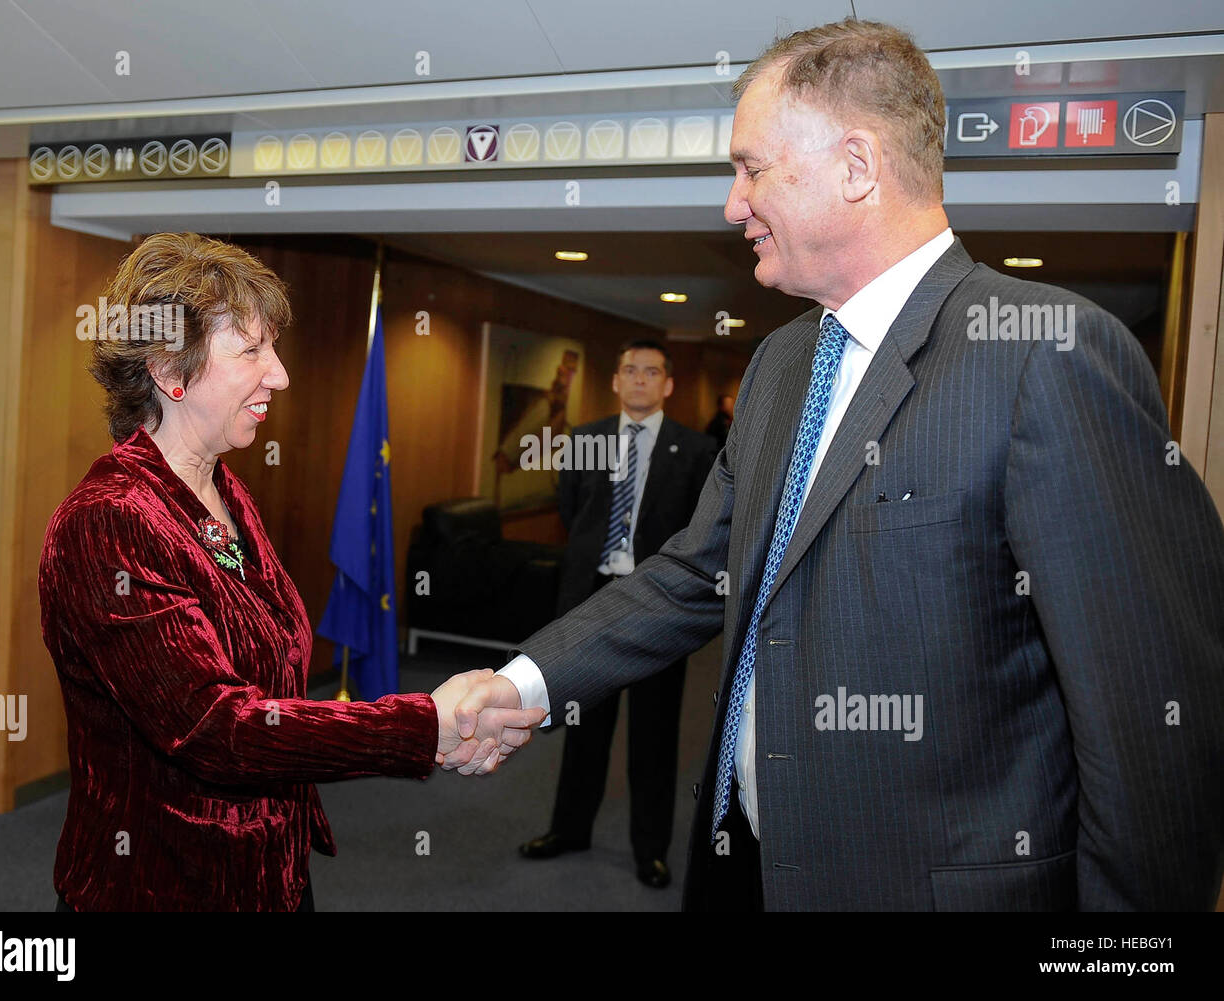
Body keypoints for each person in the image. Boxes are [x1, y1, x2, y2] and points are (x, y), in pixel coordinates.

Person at [445, 19, 1224, 911]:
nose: (732, 205)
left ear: (857, 166)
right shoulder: (780, 365)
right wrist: (522, 683)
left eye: (751, 168)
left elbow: (1155, 734)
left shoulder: (1045, 355)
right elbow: (697, 575)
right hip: (750, 870)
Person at [39, 233, 543, 912]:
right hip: (162, 885)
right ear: (168, 368)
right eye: (251, 350)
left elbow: (269, 677)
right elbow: (218, 729)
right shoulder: (110, 521)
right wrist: (420, 727)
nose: (278, 374)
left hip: (271, 872)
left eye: (272, 347)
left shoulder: (226, 491)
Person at [518, 340, 716, 888]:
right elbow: (570, 510)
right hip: (592, 599)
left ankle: (651, 849)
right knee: (584, 726)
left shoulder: (696, 451)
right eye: (629, 370)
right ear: (615, 380)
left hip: (660, 605)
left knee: (654, 735)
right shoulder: (583, 441)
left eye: (651, 373)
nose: (639, 381)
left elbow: (699, 533)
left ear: (667, 384)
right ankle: (568, 829)